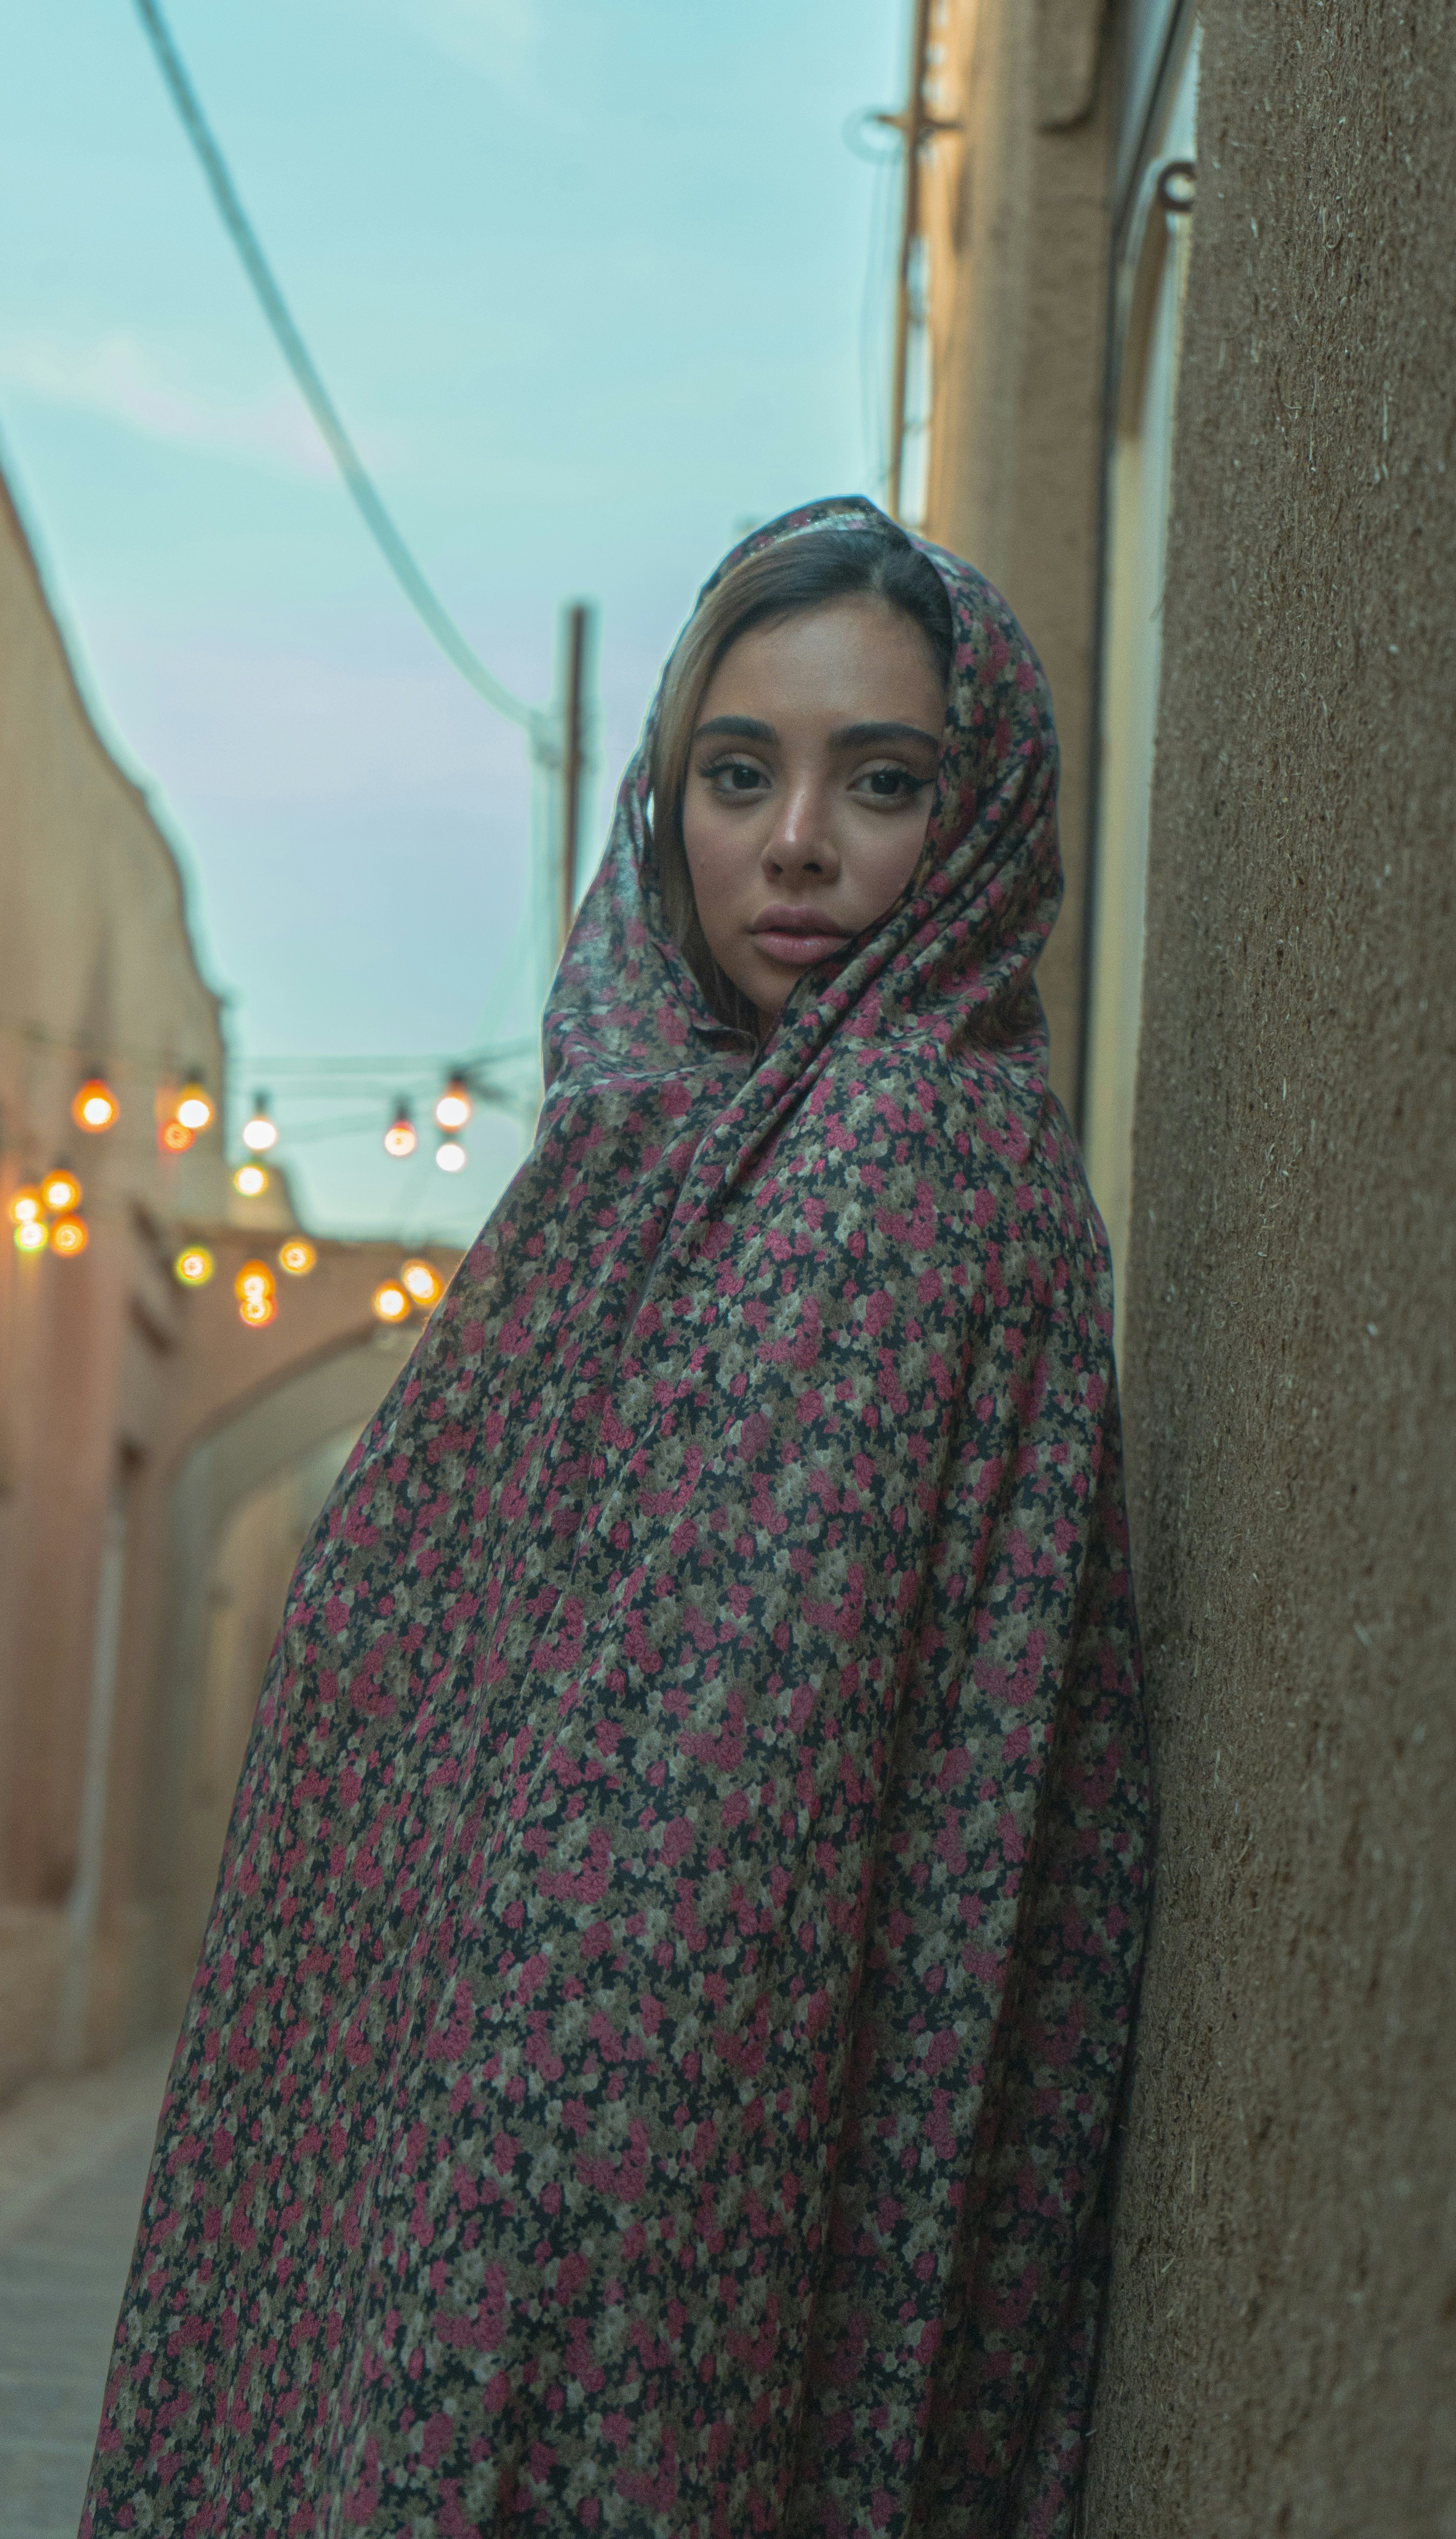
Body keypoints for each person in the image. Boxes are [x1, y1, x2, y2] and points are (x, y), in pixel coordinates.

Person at [83, 498, 1148, 2539]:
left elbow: (735, 1824)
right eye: (736, 775)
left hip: (618, 2209)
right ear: (664, 806)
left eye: (886, 781)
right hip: (504, 2145)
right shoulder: (664, 1149)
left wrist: (525, 2204)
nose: (799, 844)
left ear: (986, 810)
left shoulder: (901, 1167)